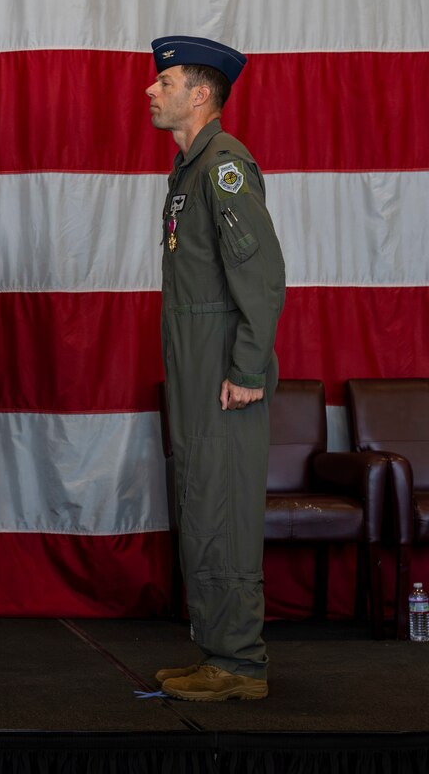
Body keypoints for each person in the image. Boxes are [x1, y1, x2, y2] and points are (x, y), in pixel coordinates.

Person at [147, 35, 286, 702]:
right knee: (203, 502)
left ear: (201, 93)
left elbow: (261, 274)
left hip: (225, 369)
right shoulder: (189, 169)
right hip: (196, 362)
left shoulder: (224, 166)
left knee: (224, 508)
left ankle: (241, 664)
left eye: (165, 81)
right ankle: (218, 651)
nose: (151, 90)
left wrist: (249, 369)